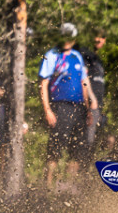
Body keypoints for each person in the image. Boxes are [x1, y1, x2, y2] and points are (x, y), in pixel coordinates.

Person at [39, 23, 95, 181]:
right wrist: (47, 110)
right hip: (60, 106)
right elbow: (43, 84)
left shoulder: (77, 56)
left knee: (77, 151)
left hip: (79, 108)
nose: (67, 41)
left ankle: (70, 188)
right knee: (54, 150)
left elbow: (84, 83)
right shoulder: (52, 55)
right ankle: (47, 187)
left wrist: (88, 109)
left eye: (70, 37)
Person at [82, 33, 110, 149]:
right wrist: (91, 100)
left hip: (98, 106)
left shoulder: (98, 60)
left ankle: (90, 167)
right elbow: (83, 79)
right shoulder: (85, 55)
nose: (100, 40)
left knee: (95, 143)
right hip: (89, 105)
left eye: (103, 37)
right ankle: (83, 167)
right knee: (86, 143)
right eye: (97, 36)